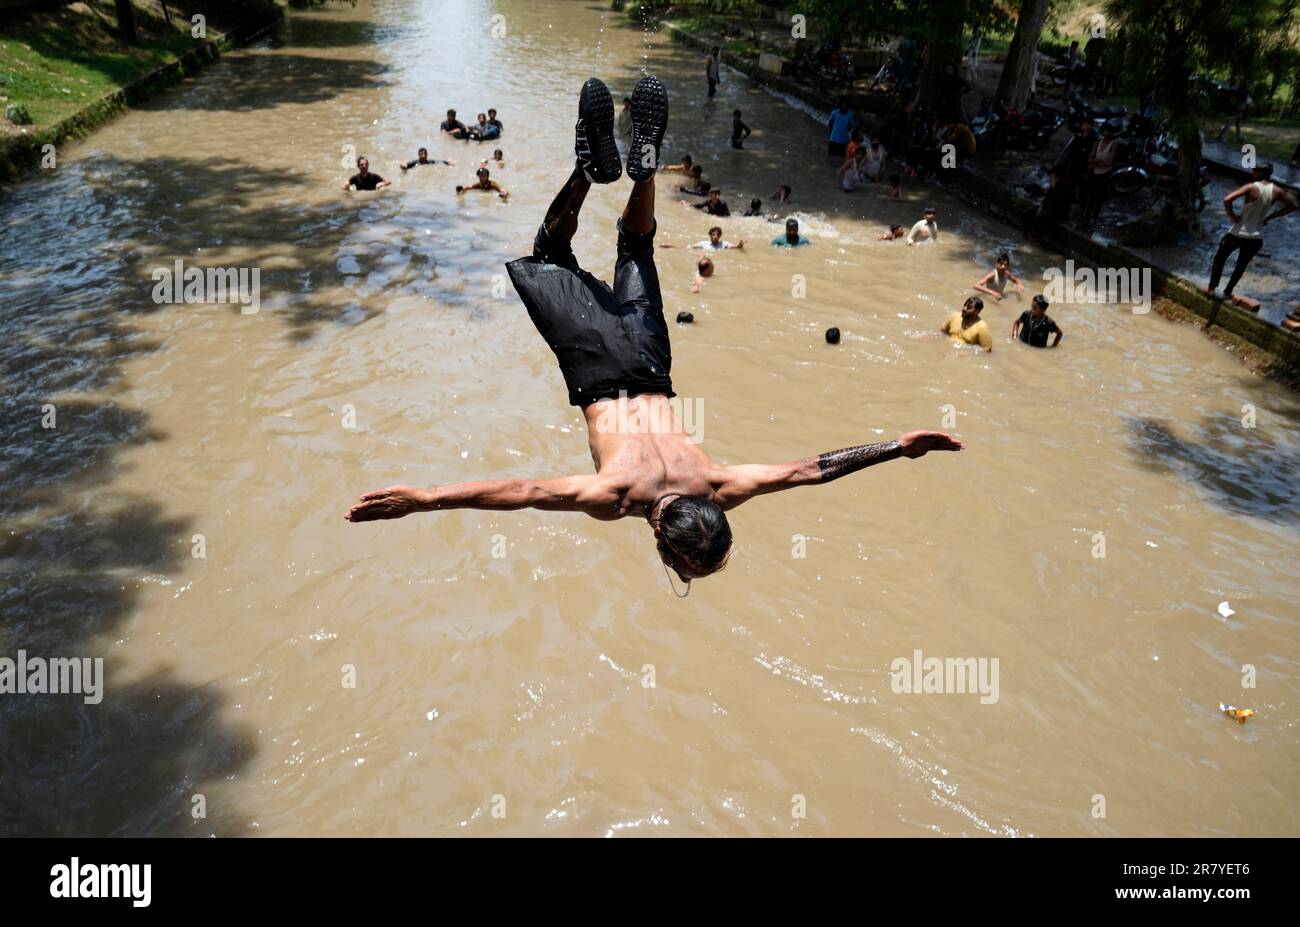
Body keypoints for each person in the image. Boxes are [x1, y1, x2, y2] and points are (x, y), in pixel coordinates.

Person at [345, 75, 965, 593]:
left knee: (635, 243)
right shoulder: (615, 496)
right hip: (595, 365)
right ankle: (590, 169)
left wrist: (899, 445)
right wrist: (425, 499)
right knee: (549, 253)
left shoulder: (722, 486)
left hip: (650, 358)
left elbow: (811, 469)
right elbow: (522, 489)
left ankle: (641, 174)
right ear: (663, 545)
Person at [1205, 163, 1296, 299]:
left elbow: (1227, 199)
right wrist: (1270, 217)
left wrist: (1233, 216)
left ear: (1260, 173)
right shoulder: (1277, 191)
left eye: (1254, 171)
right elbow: (1292, 206)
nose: (1252, 173)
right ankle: (1228, 291)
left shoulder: (1251, 187)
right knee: (1241, 266)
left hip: (1238, 233)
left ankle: (1212, 289)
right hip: (1256, 237)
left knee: (1220, 258)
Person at [1081, 124, 1116, 227]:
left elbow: (1109, 162)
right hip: (1095, 173)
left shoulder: (1113, 145)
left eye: (1110, 132)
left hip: (1104, 174)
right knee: (1091, 196)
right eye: (1106, 131)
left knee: (1100, 197)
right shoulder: (1097, 143)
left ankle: (1094, 217)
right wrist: (1098, 161)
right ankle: (1087, 216)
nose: (1107, 134)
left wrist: (1095, 162)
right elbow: (1089, 158)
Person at [659, 226, 744, 251]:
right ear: (710, 236)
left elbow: (736, 247)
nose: (715, 237)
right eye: (713, 235)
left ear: (720, 236)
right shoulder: (703, 244)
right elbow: (686, 247)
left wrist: (740, 244)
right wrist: (668, 246)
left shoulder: (724, 244)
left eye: (717, 235)